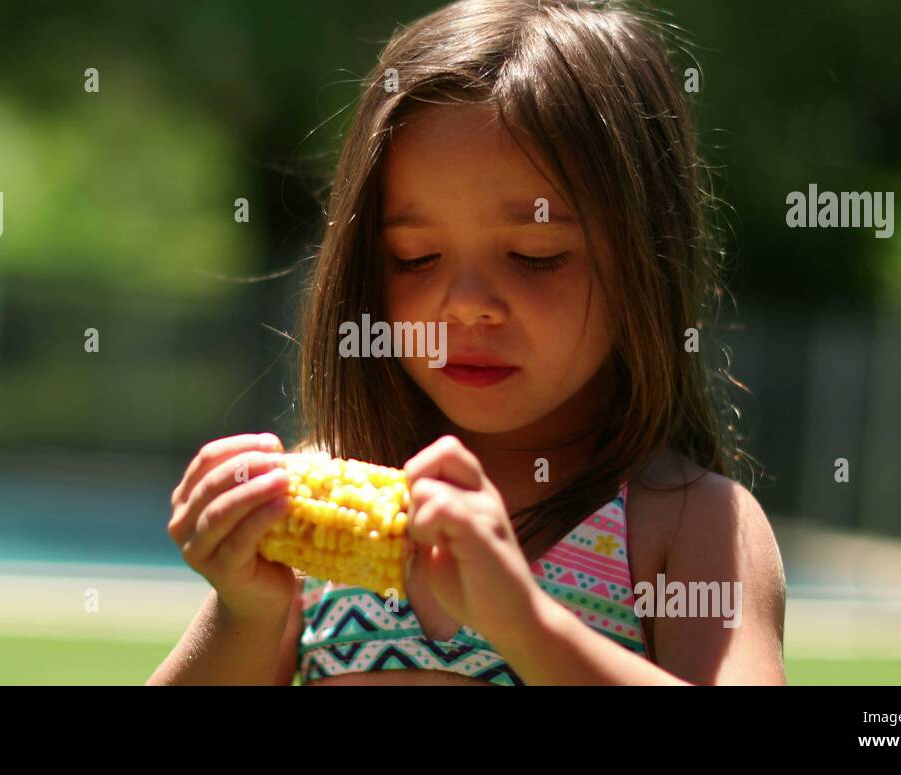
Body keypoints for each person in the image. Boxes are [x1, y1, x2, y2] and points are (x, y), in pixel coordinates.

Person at [149, 0, 786, 686]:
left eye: (535, 254)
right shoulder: (312, 501)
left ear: (645, 260)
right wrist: (240, 612)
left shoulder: (687, 524)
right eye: (416, 256)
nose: (467, 307)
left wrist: (525, 623)